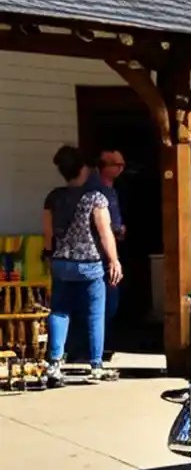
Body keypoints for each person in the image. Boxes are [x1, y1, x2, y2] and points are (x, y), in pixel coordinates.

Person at [41, 146, 122, 387]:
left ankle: (55, 363)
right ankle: (96, 365)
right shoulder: (96, 197)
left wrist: (49, 254)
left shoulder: (54, 197)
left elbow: (48, 233)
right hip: (90, 263)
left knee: (59, 311)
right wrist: (114, 260)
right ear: (83, 169)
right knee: (95, 314)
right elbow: (105, 232)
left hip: (61, 262)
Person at [85, 148, 126, 356]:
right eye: (116, 164)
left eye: (122, 164)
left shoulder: (111, 189)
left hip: (108, 250)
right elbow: (102, 227)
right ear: (102, 167)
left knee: (107, 303)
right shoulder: (96, 191)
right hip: (99, 254)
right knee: (104, 304)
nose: (121, 168)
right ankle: (94, 350)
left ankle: (99, 347)